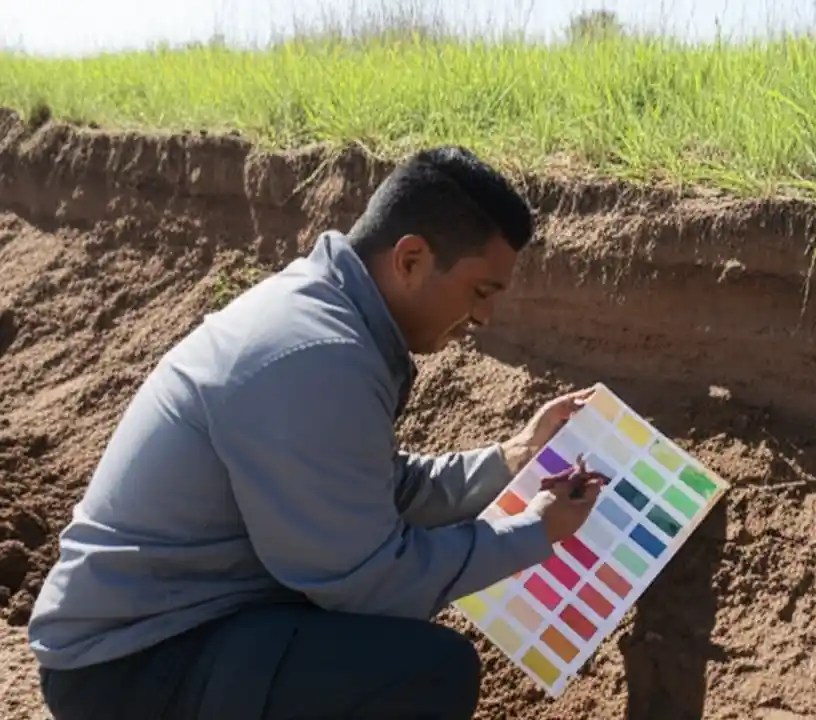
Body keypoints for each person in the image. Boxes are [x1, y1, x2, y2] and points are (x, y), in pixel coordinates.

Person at [26, 146, 605, 719]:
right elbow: (372, 583)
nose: (484, 319)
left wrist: (510, 458)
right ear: (410, 259)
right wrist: (535, 532)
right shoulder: (315, 354)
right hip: (125, 667)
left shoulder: (327, 315)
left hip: (176, 625)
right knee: (427, 672)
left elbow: (372, 493)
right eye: (481, 293)